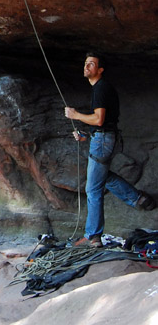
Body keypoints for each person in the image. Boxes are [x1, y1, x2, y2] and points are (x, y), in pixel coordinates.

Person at [64, 52, 155, 247]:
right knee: (102, 177)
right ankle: (139, 199)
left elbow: (99, 120)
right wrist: (86, 136)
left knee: (93, 188)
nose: (87, 67)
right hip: (105, 138)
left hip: (104, 140)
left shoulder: (101, 89)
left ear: (100, 69)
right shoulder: (101, 88)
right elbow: (104, 124)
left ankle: (93, 236)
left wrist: (76, 115)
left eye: (92, 64)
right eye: (86, 63)